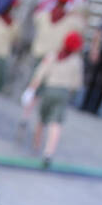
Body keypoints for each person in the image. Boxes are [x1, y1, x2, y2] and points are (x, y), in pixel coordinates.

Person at [26, 31, 84, 167]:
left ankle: (36, 144)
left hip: (48, 90)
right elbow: (77, 84)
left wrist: (32, 89)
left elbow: (40, 74)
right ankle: (48, 153)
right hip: (63, 93)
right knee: (55, 123)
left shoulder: (52, 55)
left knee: (42, 118)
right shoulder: (76, 61)